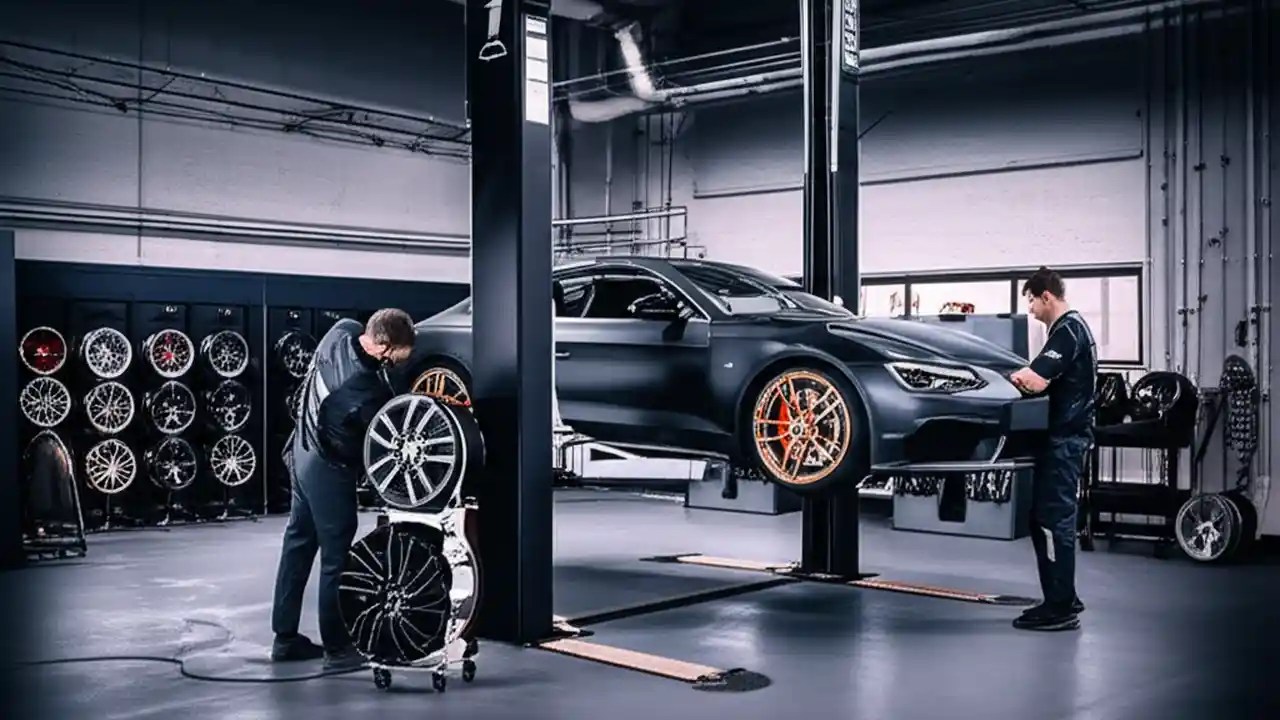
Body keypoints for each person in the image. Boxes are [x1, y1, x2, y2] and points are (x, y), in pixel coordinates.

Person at [270, 309, 416, 669]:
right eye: (398, 357)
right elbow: (385, 441)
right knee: (337, 556)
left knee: (298, 544)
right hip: (326, 467)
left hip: (300, 451)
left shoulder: (340, 331)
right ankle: (338, 649)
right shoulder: (368, 391)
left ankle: (284, 638)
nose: (398, 364)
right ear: (383, 346)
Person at [1009, 267, 1097, 632]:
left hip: (1064, 441)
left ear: (1047, 296)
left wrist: (993, 377)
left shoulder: (1067, 331)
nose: (1029, 309)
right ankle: (1065, 595)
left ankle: (1059, 607)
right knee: (1046, 517)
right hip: (1064, 438)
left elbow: (1034, 379)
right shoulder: (1070, 330)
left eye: (1030, 300)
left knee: (1051, 519)